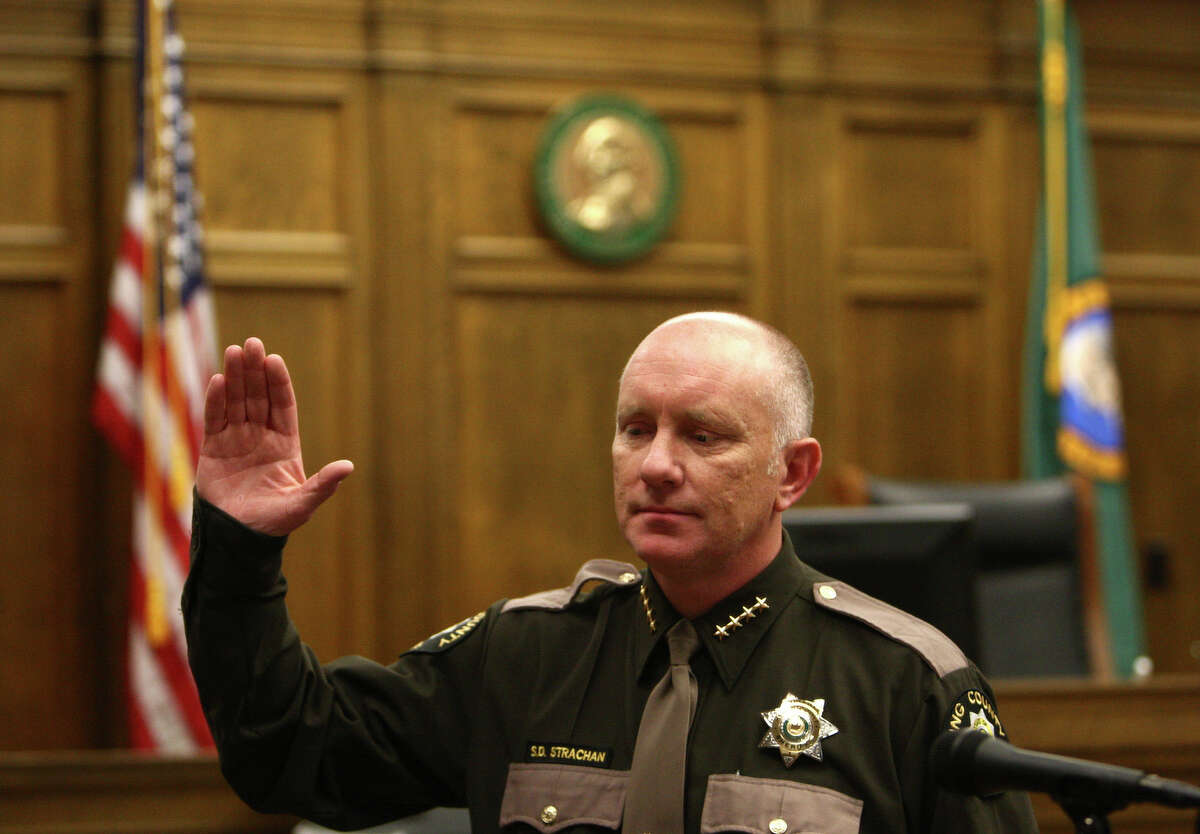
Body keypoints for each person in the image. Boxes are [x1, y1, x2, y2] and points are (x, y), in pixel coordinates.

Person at [183, 312, 1038, 833]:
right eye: (636, 429)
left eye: (703, 436)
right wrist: (240, 554)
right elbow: (291, 756)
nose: (657, 465)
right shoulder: (525, 655)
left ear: (793, 473)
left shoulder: (906, 683)